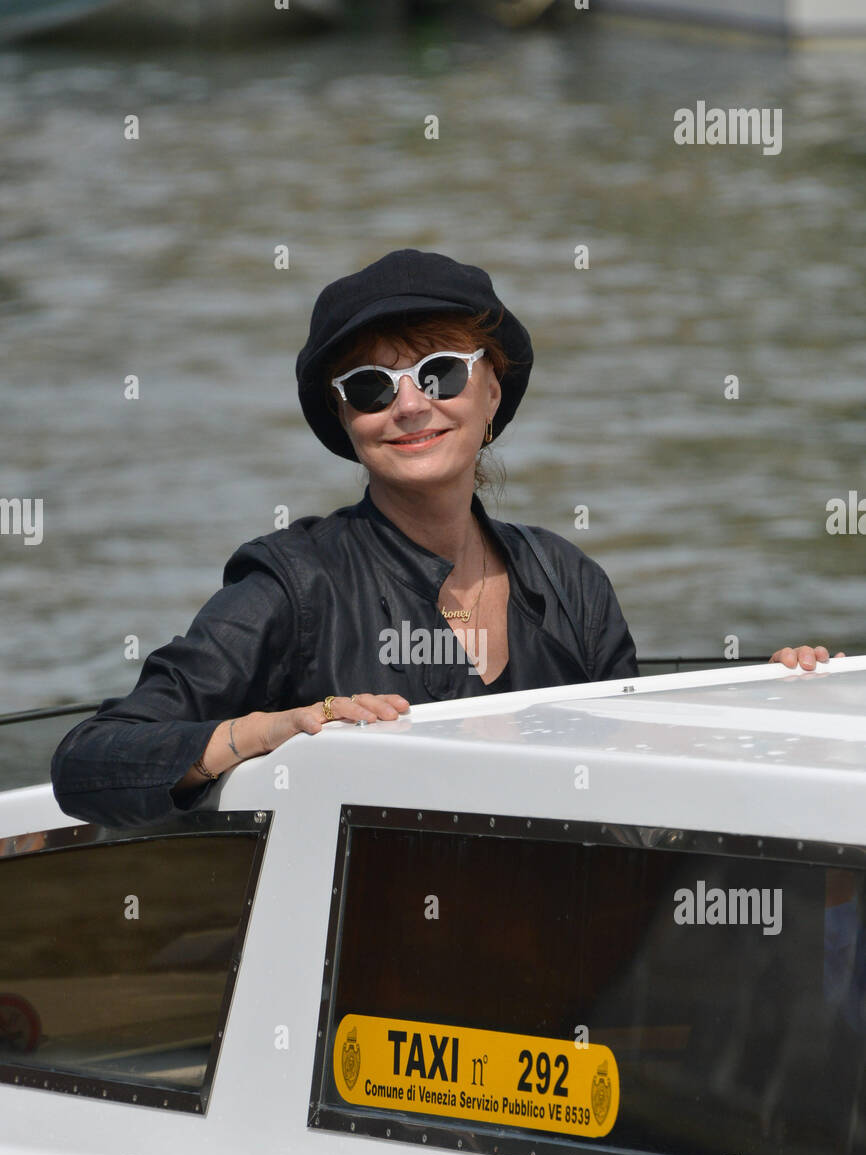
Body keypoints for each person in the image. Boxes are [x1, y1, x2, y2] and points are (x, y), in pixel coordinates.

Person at [49, 248, 843, 829]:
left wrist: (763, 703)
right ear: (346, 423)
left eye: (439, 372)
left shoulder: (571, 584)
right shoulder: (295, 585)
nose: (408, 406)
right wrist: (273, 731)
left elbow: (638, 790)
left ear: (491, 387)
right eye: (369, 387)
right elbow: (88, 760)